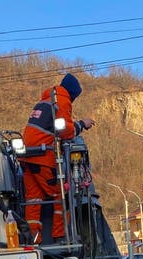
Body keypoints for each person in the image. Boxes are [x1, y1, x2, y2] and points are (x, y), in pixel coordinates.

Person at [20, 72, 95, 244]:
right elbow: (65, 130)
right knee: (61, 196)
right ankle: (60, 237)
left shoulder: (45, 101)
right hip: (43, 157)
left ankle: (34, 240)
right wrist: (82, 124)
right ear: (73, 93)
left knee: (33, 200)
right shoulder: (62, 100)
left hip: (26, 158)